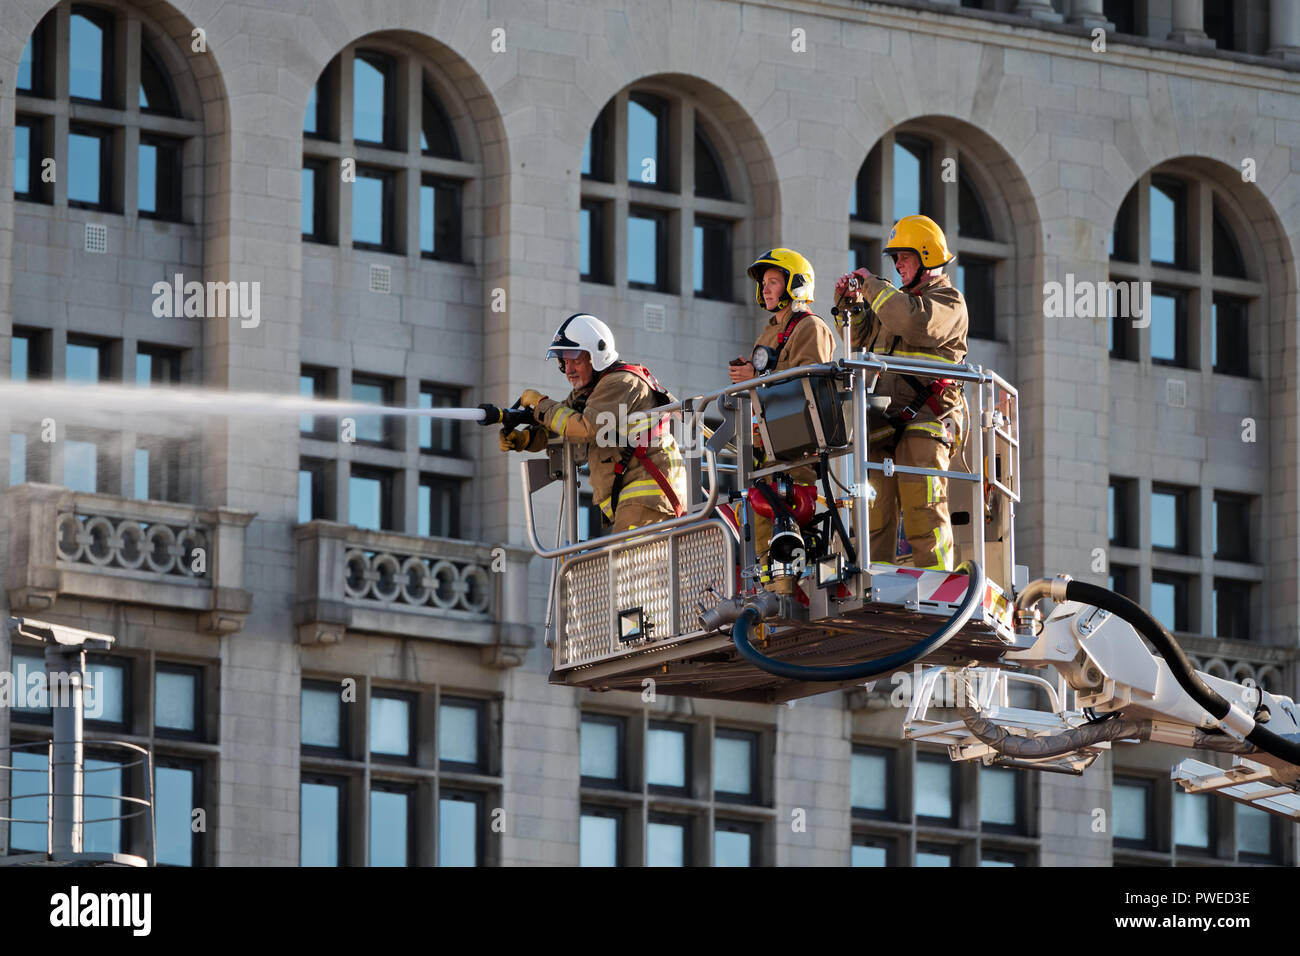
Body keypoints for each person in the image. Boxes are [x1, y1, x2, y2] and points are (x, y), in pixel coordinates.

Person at [834, 214, 968, 571]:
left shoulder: (948, 300)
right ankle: (872, 584)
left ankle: (940, 589)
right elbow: (859, 345)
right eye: (893, 259)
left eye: (903, 257)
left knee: (923, 510)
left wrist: (874, 286)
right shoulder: (894, 302)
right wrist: (852, 308)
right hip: (883, 423)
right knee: (873, 514)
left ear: (926, 255)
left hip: (926, 419)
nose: (897, 265)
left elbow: (915, 323)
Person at [499, 313, 686, 534]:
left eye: (575, 361)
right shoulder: (592, 392)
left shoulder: (620, 383)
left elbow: (582, 428)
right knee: (623, 565)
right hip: (639, 498)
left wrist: (540, 403)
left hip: (648, 494)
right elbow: (562, 422)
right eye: (564, 362)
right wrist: (527, 438)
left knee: (625, 566)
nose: (568, 370)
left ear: (597, 355)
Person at [728, 248, 836, 590]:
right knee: (763, 536)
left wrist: (757, 374)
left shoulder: (811, 327)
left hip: (795, 451)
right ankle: (770, 601)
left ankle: (789, 597)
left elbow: (810, 383)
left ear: (796, 285)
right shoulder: (770, 331)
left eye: (774, 281)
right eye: (763, 283)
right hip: (766, 453)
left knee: (787, 529)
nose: (766, 289)